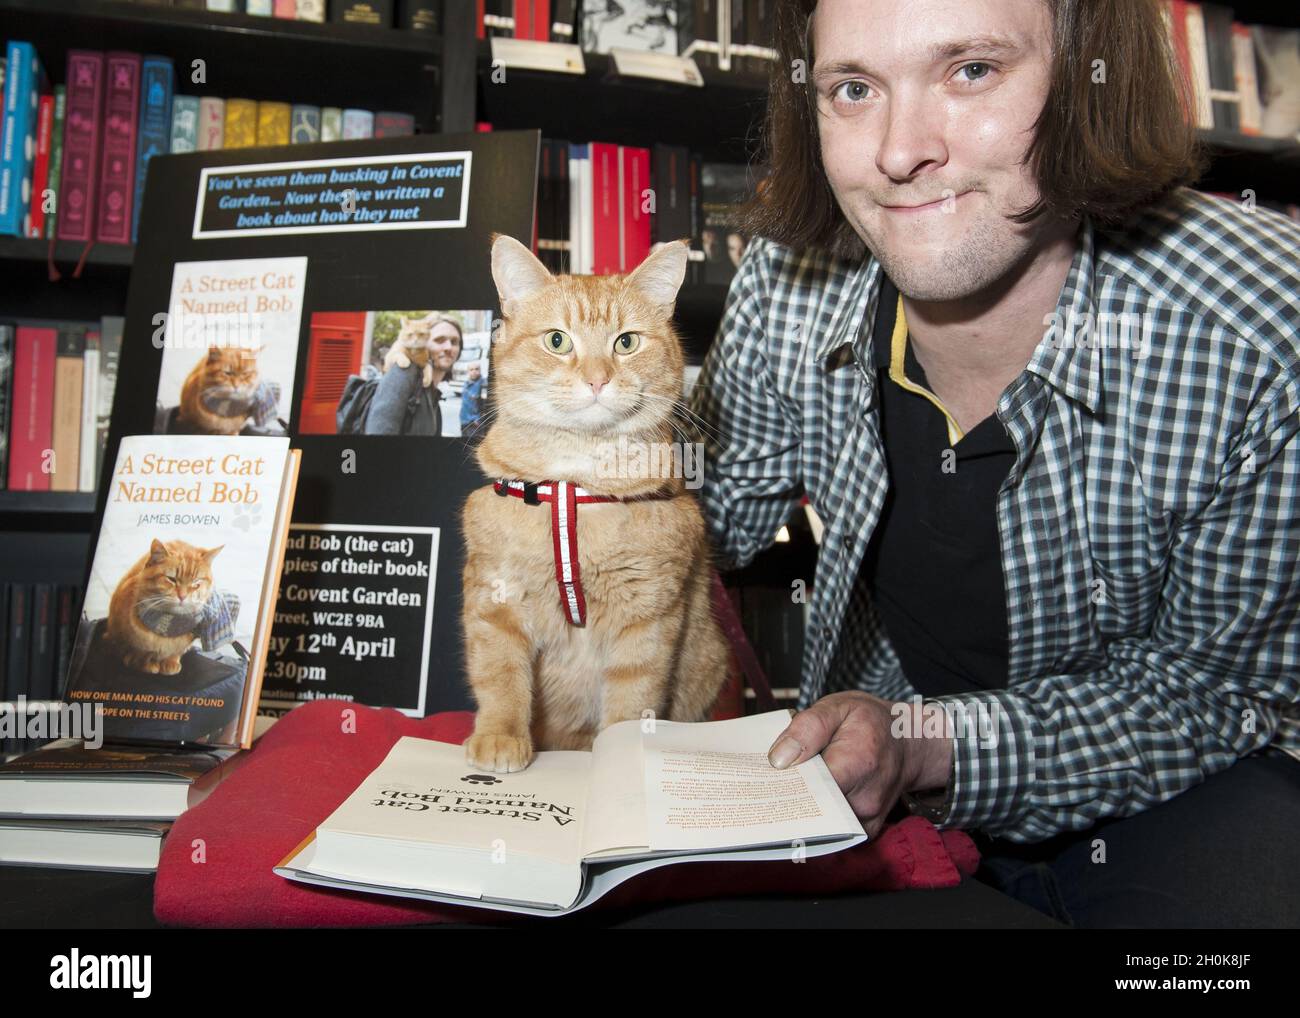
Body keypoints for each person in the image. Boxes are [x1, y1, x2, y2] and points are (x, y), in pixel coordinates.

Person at [690, 0, 1299, 927]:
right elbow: (710, 523)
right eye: (853, 89)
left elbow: (1219, 697)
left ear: (1091, 76)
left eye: (971, 71)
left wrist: (930, 747)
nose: (899, 152)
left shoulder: (1263, 332)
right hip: (880, 787)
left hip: (1194, 791)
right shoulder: (785, 281)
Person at [363, 316, 463, 436]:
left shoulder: (433, 393)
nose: (448, 347)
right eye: (439, 340)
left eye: (454, 342)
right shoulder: (403, 371)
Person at [460, 361, 487, 436]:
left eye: (476, 369)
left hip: (474, 424)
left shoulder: (484, 384)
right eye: (471, 370)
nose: (474, 371)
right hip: (464, 422)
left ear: (480, 370)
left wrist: (478, 420)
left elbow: (485, 405)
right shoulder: (466, 383)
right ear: (468, 371)